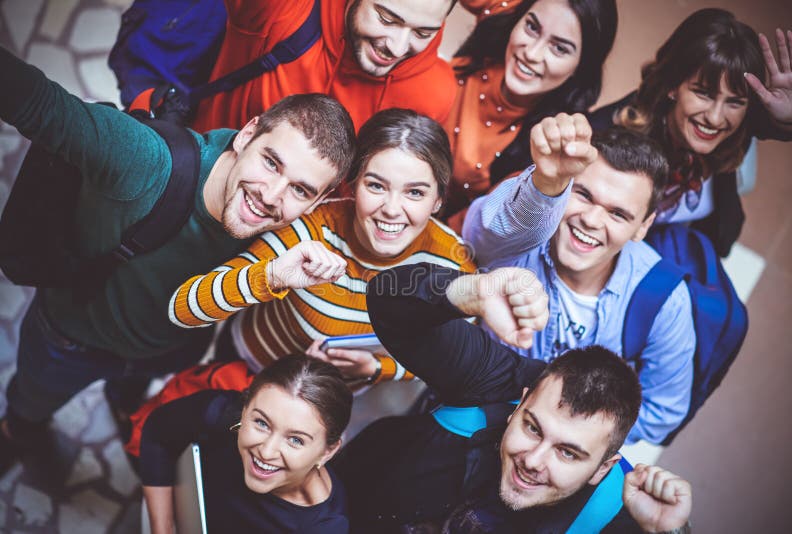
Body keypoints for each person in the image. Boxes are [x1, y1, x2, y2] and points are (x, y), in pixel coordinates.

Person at [0, 45, 356, 473]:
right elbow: (37, 101)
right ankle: (18, 433)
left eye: (300, 190)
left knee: (132, 392)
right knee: (29, 407)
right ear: (247, 134)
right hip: (72, 339)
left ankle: (123, 402)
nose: (270, 196)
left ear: (318, 200)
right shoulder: (145, 162)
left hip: (170, 349)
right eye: (270, 162)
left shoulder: (290, 230)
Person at [333, 261, 692, 532]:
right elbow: (385, 300)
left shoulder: (621, 513)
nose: (533, 460)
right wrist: (469, 291)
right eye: (533, 428)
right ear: (519, 404)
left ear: (602, 468)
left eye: (567, 452)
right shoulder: (496, 379)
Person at [168, 108, 479, 387]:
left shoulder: (452, 263)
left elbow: (453, 353)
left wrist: (377, 368)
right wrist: (272, 276)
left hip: (325, 398)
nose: (392, 209)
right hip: (243, 364)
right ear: (353, 185)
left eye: (414, 192)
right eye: (376, 185)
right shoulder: (310, 227)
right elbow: (183, 309)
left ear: (438, 199)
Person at [462, 113, 695, 445]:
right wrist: (545, 183)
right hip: (474, 417)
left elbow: (662, 411)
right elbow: (479, 232)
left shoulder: (665, 300)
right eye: (584, 194)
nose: (591, 220)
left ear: (643, 226)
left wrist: (574, 437)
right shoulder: (525, 231)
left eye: (618, 214)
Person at [589, 9, 792, 256]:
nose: (715, 117)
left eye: (735, 102)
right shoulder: (609, 132)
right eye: (703, 93)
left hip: (687, 254)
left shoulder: (738, 124)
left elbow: (774, 123)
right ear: (672, 85)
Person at [442, 0, 617, 231]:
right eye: (532, 27)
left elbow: (478, 229)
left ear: (580, 67)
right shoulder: (494, 26)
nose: (532, 54)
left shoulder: (552, 143)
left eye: (560, 48)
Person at [139, 355, 353, 533]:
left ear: (328, 451)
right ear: (245, 408)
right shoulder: (225, 414)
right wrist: (163, 529)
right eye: (261, 423)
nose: (266, 452)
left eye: (295, 440)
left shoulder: (323, 528)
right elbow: (158, 430)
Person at [188, 0, 459, 134]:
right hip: (197, 194)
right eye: (387, 19)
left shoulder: (434, 92)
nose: (397, 48)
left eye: (423, 33)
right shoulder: (283, 9)